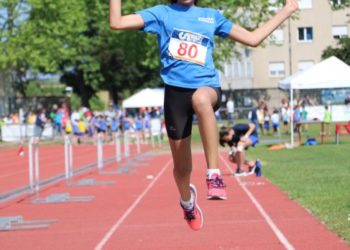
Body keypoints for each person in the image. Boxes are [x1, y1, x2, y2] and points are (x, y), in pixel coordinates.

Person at [110, 0, 298, 231]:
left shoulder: (211, 16)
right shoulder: (161, 14)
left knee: (200, 99)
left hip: (207, 89)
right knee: (182, 169)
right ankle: (187, 203)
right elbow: (117, 23)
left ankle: (214, 174)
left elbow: (253, 38)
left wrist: (287, 10)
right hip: (175, 95)